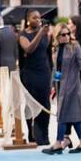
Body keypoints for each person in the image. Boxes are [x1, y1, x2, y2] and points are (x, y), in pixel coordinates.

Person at [41, 23, 81, 154]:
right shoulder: (56, 48)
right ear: (57, 36)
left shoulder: (75, 46)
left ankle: (58, 144)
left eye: (68, 34)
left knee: (63, 116)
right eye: (63, 34)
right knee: (74, 117)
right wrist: (53, 85)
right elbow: (56, 69)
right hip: (61, 87)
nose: (67, 37)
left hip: (73, 87)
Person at [0, 14, 27, 144]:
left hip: (1, 69)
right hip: (13, 67)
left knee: (4, 96)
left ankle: (8, 124)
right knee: (13, 96)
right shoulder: (11, 33)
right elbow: (16, 51)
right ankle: (15, 125)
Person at [18, 11, 53, 145]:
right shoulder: (23, 35)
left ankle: (44, 135)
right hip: (29, 73)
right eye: (34, 17)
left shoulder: (47, 35)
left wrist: (52, 74)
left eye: (39, 17)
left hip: (44, 72)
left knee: (45, 104)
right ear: (28, 20)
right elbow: (28, 49)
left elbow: (48, 55)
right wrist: (40, 34)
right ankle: (32, 134)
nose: (37, 20)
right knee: (30, 104)